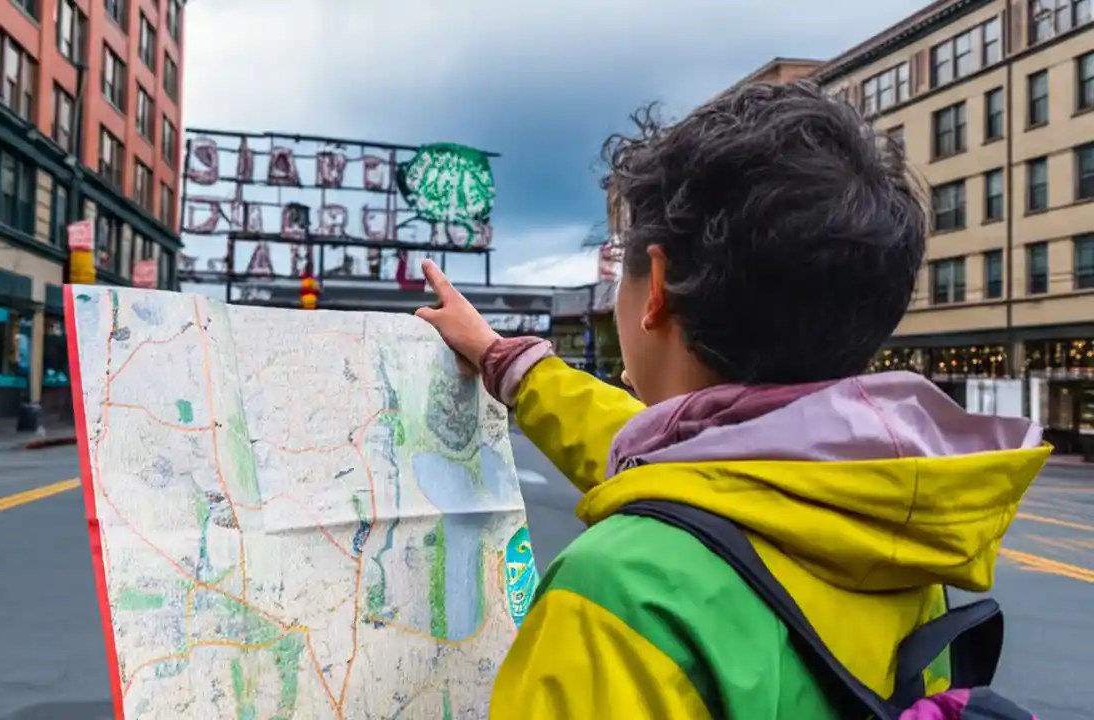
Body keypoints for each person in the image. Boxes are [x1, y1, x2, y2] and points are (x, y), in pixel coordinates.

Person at [415, 81, 1049, 719]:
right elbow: (666, 459)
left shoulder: (620, 595)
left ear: (655, 284)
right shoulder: (891, 513)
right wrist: (506, 360)